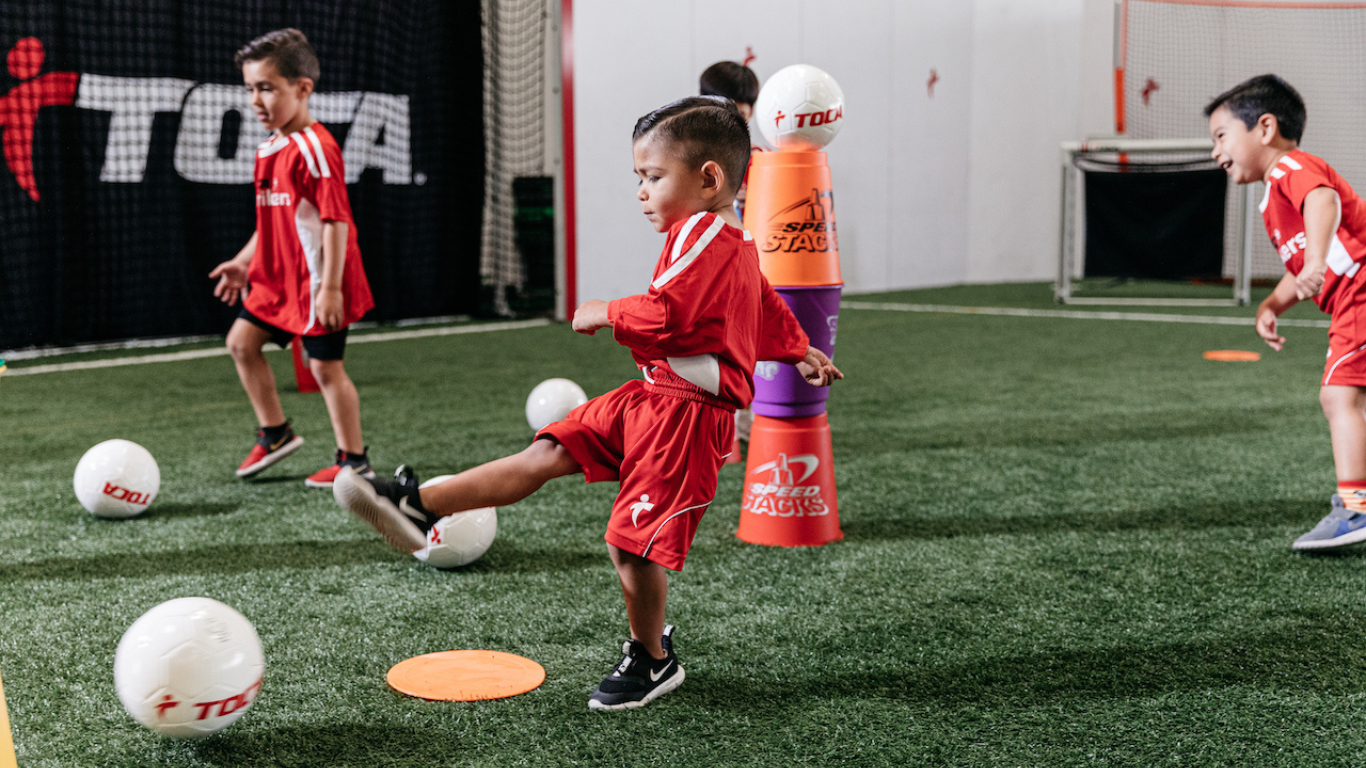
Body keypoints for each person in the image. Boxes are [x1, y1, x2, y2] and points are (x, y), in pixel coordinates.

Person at [333, 96, 842, 709]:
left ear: (709, 179)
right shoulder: (726, 236)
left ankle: (653, 660)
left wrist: (607, 311)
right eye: (639, 177)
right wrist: (797, 347)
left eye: (653, 177)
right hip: (650, 397)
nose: (642, 192)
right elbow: (761, 302)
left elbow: (673, 317)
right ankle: (417, 506)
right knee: (548, 450)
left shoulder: (706, 236)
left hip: (687, 418)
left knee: (631, 544)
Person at [208, 28, 376, 488]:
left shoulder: (315, 148)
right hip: (277, 281)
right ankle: (276, 433)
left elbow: (336, 221)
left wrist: (331, 288)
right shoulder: (269, 148)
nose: (256, 100)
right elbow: (272, 222)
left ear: (302, 88)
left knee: (325, 368)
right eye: (250, 89)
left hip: (318, 281)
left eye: (266, 88)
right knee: (241, 344)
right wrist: (243, 261)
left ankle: (355, 462)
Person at [1208, 74, 1366, 549]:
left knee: (1338, 397)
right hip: (1352, 296)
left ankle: (1355, 509)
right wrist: (1273, 303)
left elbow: (1324, 200)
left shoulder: (1291, 169)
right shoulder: (1275, 196)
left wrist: (1316, 260)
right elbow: (1301, 269)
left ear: (1265, 128)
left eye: (1221, 136)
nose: (1216, 151)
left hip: (1361, 292)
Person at [700, 60, 767, 444]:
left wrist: (750, 191)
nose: (738, 119)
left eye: (743, 112)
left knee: (743, 342)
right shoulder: (691, 156)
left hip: (744, 266)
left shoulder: (757, 158)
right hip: (707, 264)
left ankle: (742, 427)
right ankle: (712, 424)